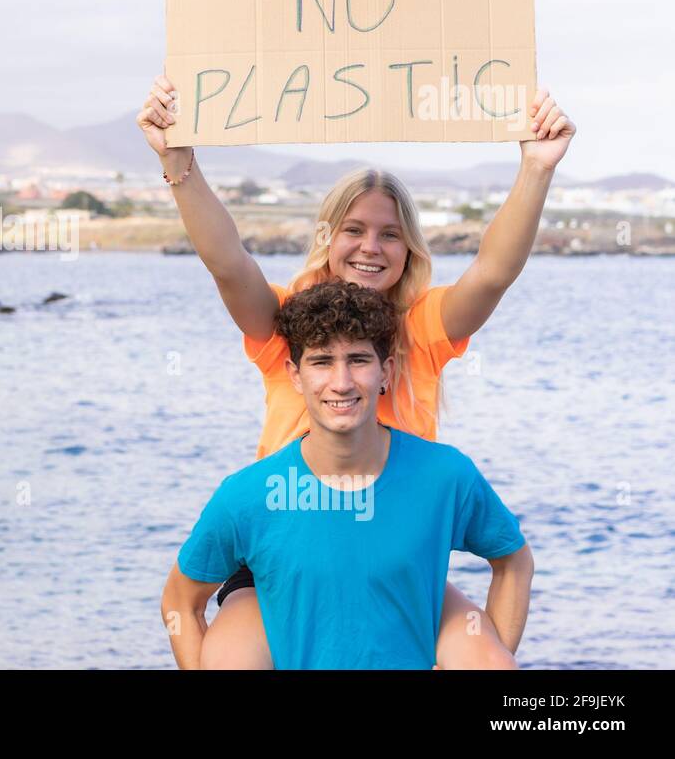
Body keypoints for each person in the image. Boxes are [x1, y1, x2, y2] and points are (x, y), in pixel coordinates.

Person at [137, 72, 572, 668]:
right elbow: (229, 264)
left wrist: (537, 168)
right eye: (355, 230)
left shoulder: (420, 328)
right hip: (279, 560)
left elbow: (492, 274)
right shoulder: (288, 324)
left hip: (396, 560)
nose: (371, 246)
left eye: (390, 235)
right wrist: (179, 163)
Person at [162, 280, 533, 669]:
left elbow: (514, 563)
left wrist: (498, 654)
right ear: (294, 375)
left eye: (358, 360)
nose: (341, 383)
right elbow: (180, 601)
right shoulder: (248, 495)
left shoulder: (447, 476)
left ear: (385, 371)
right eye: (322, 362)